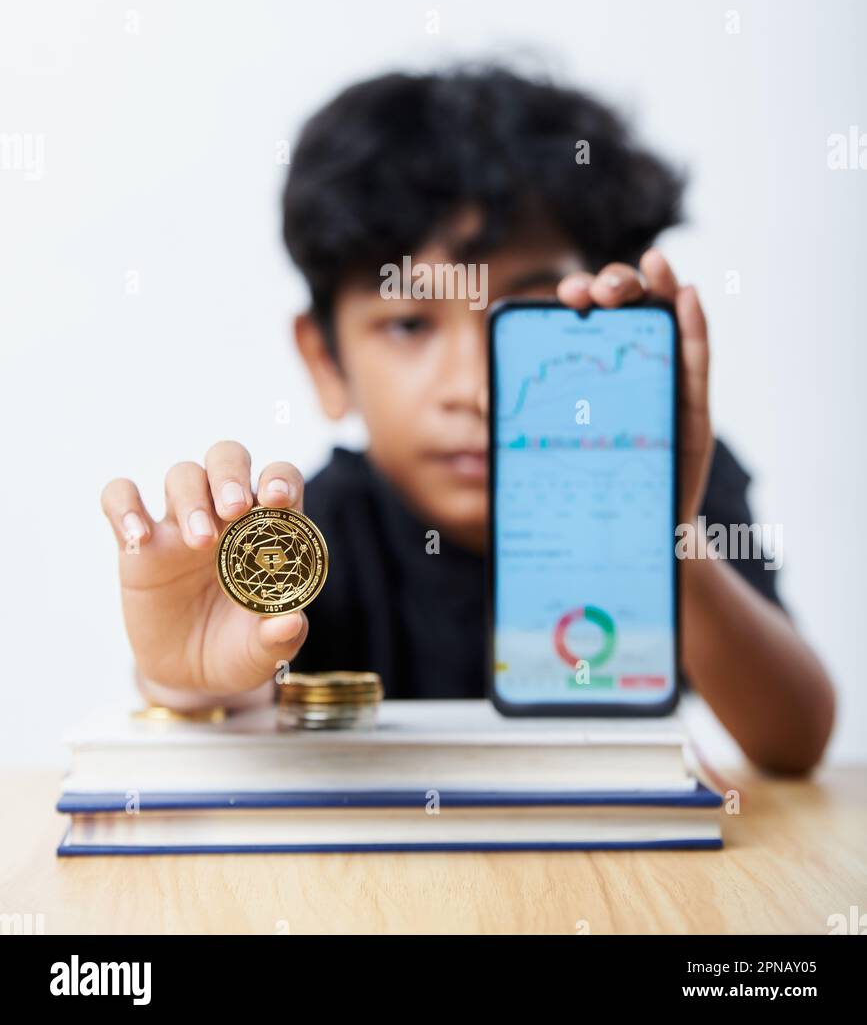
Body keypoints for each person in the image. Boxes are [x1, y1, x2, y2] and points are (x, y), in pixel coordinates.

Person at [101, 65, 835, 774]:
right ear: (325, 361)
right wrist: (187, 681)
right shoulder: (325, 527)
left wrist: (666, 541)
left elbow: (792, 740)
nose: (477, 390)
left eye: (528, 316)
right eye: (409, 324)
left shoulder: (674, 479)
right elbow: (230, 699)